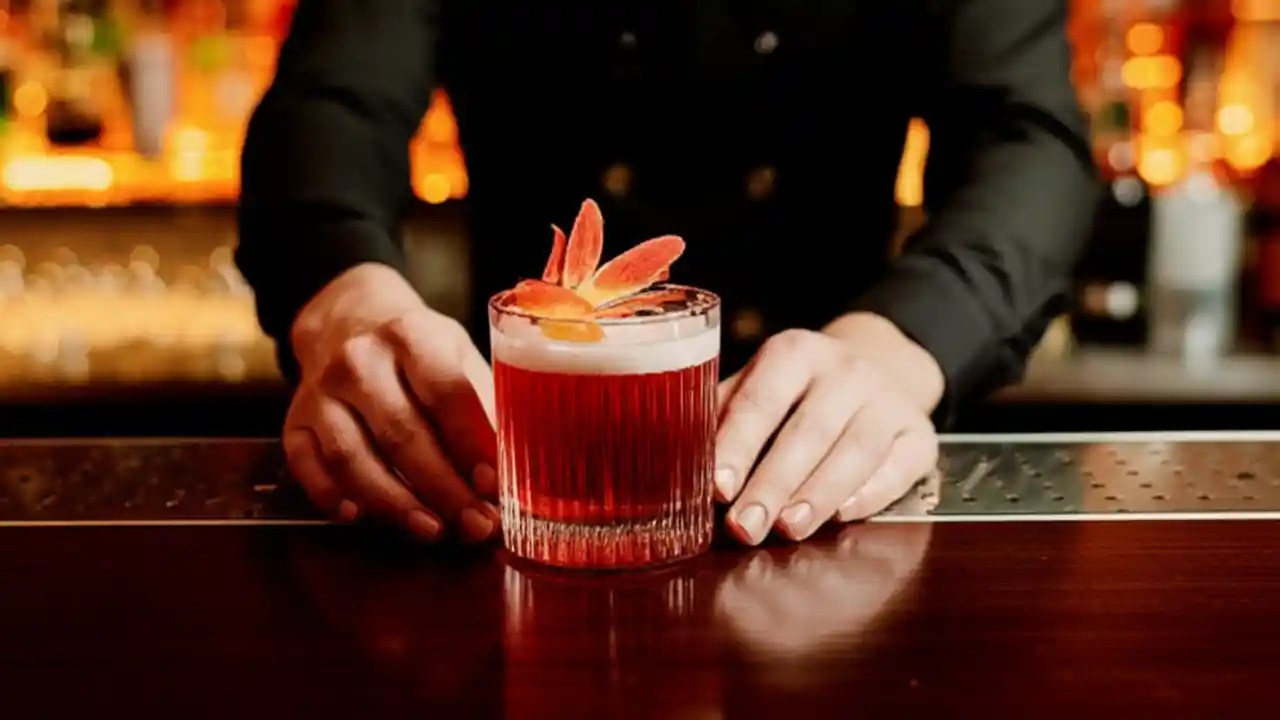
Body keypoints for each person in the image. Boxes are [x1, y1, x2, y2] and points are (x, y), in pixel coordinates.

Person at [235, 0, 1097, 547]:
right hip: (512, 487)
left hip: (831, 484)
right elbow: (330, 100)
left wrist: (900, 345)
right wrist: (348, 306)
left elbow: (1029, 140)